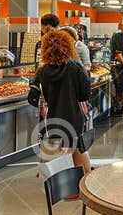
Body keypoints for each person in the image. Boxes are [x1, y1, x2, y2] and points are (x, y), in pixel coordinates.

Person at [29, 29, 93, 173]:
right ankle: (85, 183)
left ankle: (64, 187)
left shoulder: (42, 71)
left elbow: (32, 98)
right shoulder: (75, 67)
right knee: (78, 148)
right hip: (74, 117)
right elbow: (85, 94)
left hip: (53, 119)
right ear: (67, 47)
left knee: (59, 156)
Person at [109, 21, 123, 115]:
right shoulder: (117, 36)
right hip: (119, 65)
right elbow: (117, 52)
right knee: (119, 86)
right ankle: (119, 107)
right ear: (122, 26)